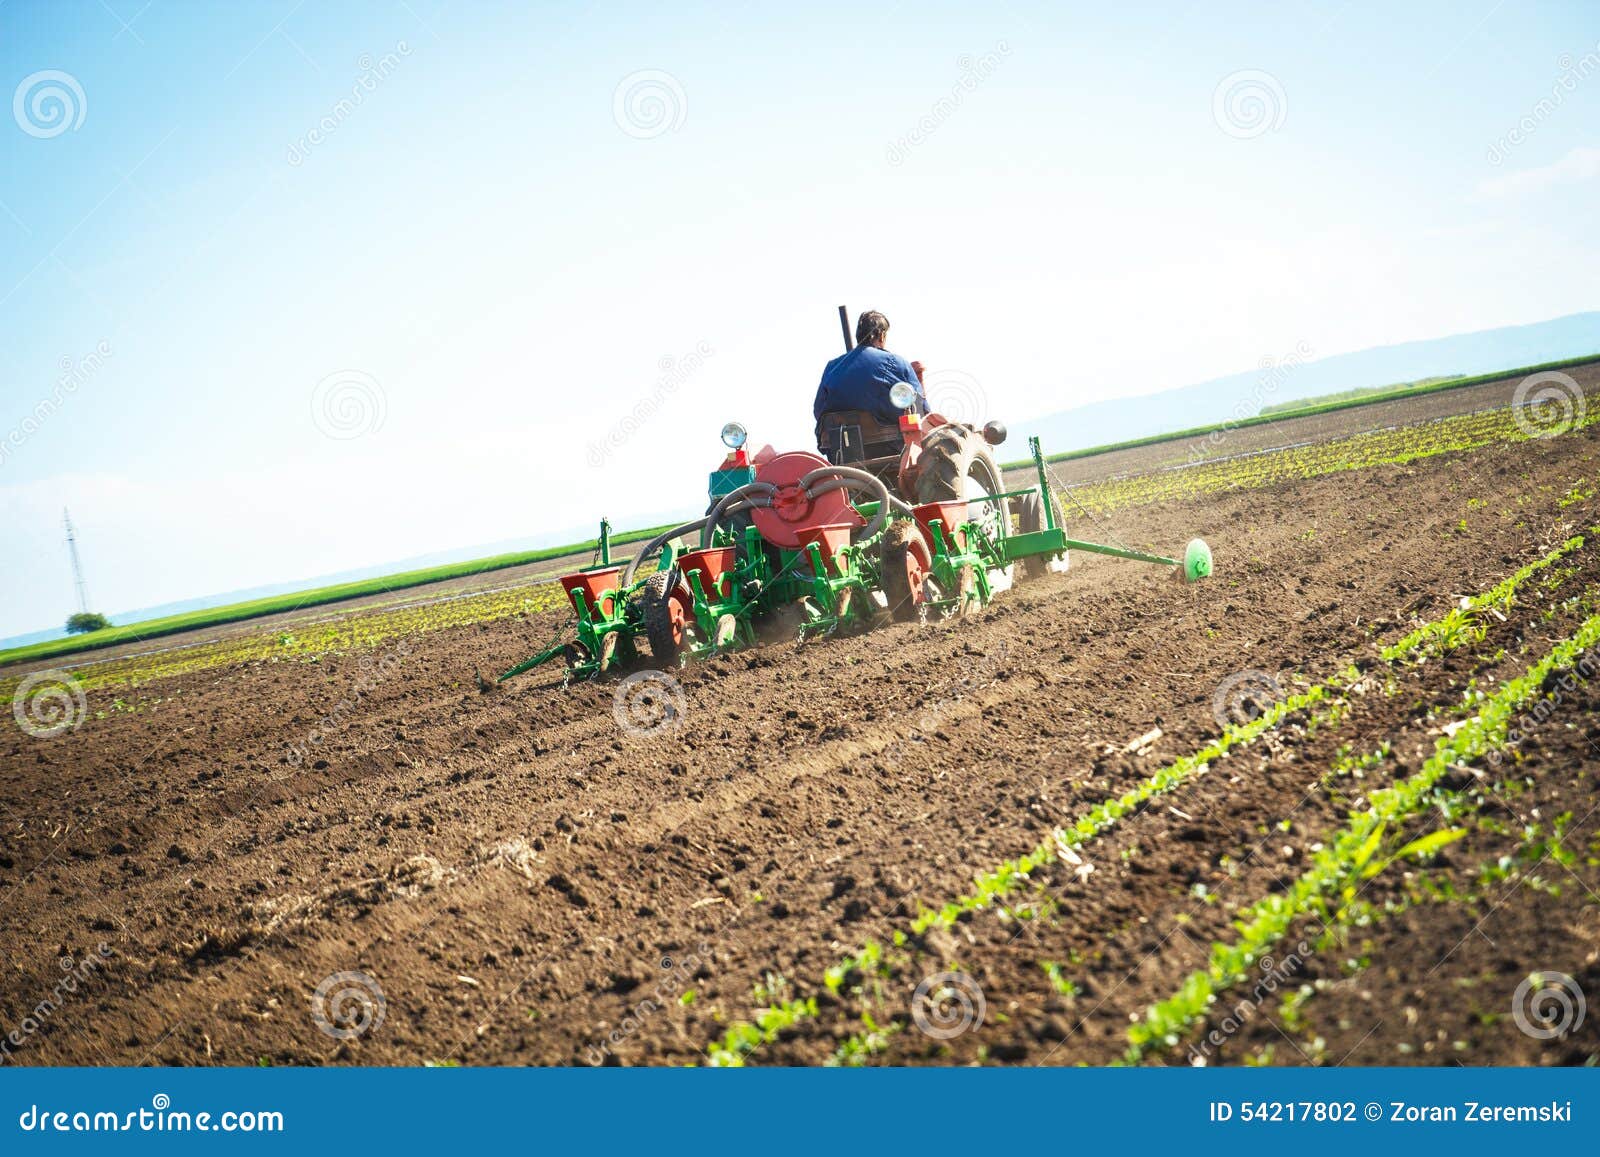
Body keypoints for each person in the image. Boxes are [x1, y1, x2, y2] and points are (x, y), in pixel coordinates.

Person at [813, 310, 927, 432]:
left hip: (841, 445)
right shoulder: (896, 362)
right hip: (892, 442)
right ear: (882, 335)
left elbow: (818, 411)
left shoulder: (832, 366)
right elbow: (921, 408)